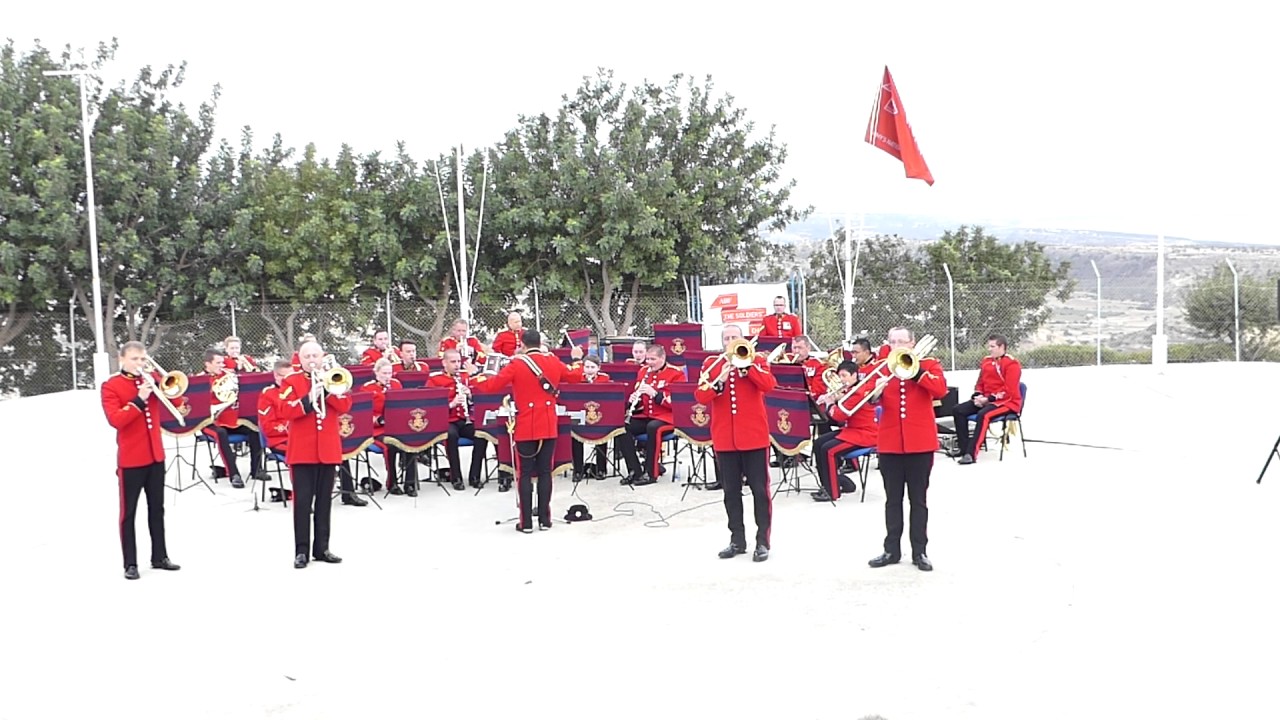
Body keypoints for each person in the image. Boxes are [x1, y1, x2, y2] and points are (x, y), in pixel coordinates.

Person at [695, 324, 778, 562]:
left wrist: (748, 368)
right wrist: (717, 383)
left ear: (742, 339)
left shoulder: (757, 361)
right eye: (726, 338)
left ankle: (763, 541)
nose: (730, 341)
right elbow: (700, 396)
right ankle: (737, 540)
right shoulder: (711, 364)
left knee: (760, 491)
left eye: (734, 337)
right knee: (731, 492)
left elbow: (769, 385)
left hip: (753, 437)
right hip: (724, 438)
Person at [868, 326, 947, 573]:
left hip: (920, 443)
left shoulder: (929, 365)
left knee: (918, 501)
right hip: (891, 443)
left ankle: (919, 551)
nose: (898, 345)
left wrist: (916, 372)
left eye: (902, 341)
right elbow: (868, 399)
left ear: (912, 343)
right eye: (893, 341)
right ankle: (891, 550)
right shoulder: (882, 368)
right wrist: (876, 392)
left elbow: (940, 390)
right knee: (892, 500)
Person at [100, 341, 180, 580]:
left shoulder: (153, 379)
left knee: (157, 509)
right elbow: (116, 419)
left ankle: (160, 556)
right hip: (131, 459)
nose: (140, 364)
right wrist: (139, 398)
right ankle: (130, 563)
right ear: (122, 359)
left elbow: (175, 402)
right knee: (129, 513)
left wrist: (172, 396)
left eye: (143, 359)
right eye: (135, 359)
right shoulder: (111, 386)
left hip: (155, 456)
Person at [480, 329, 565, 532]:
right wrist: (578, 360)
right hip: (548, 423)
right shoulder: (553, 361)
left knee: (525, 473)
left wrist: (477, 378)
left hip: (526, 425)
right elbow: (574, 375)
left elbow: (492, 386)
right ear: (540, 342)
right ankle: (545, 520)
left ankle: (526, 522)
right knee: (545, 472)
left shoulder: (517, 363)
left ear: (523, 345)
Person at [276, 340, 350, 568]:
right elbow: (284, 410)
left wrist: (329, 390)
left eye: (315, 356)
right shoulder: (291, 381)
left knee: (324, 503)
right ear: (300, 358)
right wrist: (308, 398)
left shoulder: (333, 378)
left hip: (327, 450)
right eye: (307, 356)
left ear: (322, 357)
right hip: (302, 451)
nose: (311, 361)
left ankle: (322, 548)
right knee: (302, 504)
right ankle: (301, 551)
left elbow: (346, 405)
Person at [613, 344, 685, 486]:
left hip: (667, 417)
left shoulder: (676, 374)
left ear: (663, 358)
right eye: (648, 359)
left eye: (653, 359)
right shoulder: (643, 371)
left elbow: (678, 403)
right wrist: (635, 399)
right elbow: (642, 402)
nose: (649, 363)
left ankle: (652, 473)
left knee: (653, 427)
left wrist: (656, 394)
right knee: (621, 427)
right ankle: (635, 470)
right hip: (646, 415)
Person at [951, 333, 1023, 465]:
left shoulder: (1012, 364)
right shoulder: (986, 361)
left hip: (1007, 402)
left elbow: (1009, 390)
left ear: (1002, 347)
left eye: (993, 346)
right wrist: (977, 395)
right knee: (958, 410)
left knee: (983, 415)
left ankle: (971, 454)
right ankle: (963, 447)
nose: (989, 349)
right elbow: (980, 382)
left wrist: (988, 399)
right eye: (989, 346)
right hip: (987, 399)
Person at [812, 361, 877, 502]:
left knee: (828, 450)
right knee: (818, 444)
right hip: (852, 430)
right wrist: (833, 397)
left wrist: (829, 403)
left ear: (854, 375)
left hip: (865, 434)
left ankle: (832, 492)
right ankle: (835, 483)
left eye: (844, 375)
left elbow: (839, 416)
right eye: (839, 376)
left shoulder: (858, 392)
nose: (841, 379)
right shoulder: (850, 391)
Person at [198, 348, 263, 488]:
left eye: (222, 362)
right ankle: (233, 474)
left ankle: (256, 469)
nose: (222, 365)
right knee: (220, 433)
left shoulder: (229, 376)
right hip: (209, 422)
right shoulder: (200, 380)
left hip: (231, 419)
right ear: (207, 364)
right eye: (218, 362)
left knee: (254, 429)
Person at [427, 349, 489, 491]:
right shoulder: (435, 380)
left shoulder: (465, 376)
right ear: (444, 363)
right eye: (453, 362)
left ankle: (475, 476)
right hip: (446, 420)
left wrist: (470, 395)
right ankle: (456, 477)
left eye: (458, 361)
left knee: (482, 434)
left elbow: (479, 398)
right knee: (451, 435)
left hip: (464, 419)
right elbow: (431, 406)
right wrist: (451, 404)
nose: (457, 365)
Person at [359, 359, 417, 496]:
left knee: (412, 441)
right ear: (376, 372)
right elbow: (364, 414)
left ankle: (410, 483)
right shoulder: (367, 388)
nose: (387, 376)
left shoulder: (396, 384)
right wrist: (379, 420)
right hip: (377, 429)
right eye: (384, 373)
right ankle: (392, 482)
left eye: (390, 373)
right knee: (390, 445)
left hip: (396, 426)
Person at [566, 354, 611, 482]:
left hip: (598, 414)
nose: (589, 369)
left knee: (603, 433)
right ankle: (578, 470)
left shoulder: (604, 378)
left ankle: (601, 469)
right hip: (580, 414)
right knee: (575, 434)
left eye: (592, 367)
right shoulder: (577, 378)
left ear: (598, 368)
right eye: (586, 366)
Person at [258, 359, 293, 455]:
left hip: (300, 438)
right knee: (303, 452)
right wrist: (290, 427)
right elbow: (268, 427)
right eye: (285, 376)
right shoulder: (267, 395)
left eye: (292, 376)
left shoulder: (298, 391)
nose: (289, 379)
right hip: (280, 440)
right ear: (276, 375)